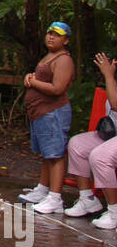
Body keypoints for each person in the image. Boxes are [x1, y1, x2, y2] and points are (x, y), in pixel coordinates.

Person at [18, 21, 76, 213]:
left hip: (53, 112)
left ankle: (55, 197)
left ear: (66, 41)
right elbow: (43, 78)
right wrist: (30, 77)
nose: (51, 37)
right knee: (47, 154)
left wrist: (33, 82)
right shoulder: (50, 56)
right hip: (41, 112)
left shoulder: (64, 60)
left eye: (57, 35)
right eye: (50, 33)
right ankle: (43, 190)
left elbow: (57, 88)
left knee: (55, 155)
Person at [60, 49, 117, 229]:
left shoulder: (110, 78)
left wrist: (108, 75)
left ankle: (114, 212)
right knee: (77, 144)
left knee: (100, 156)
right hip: (112, 135)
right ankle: (88, 200)